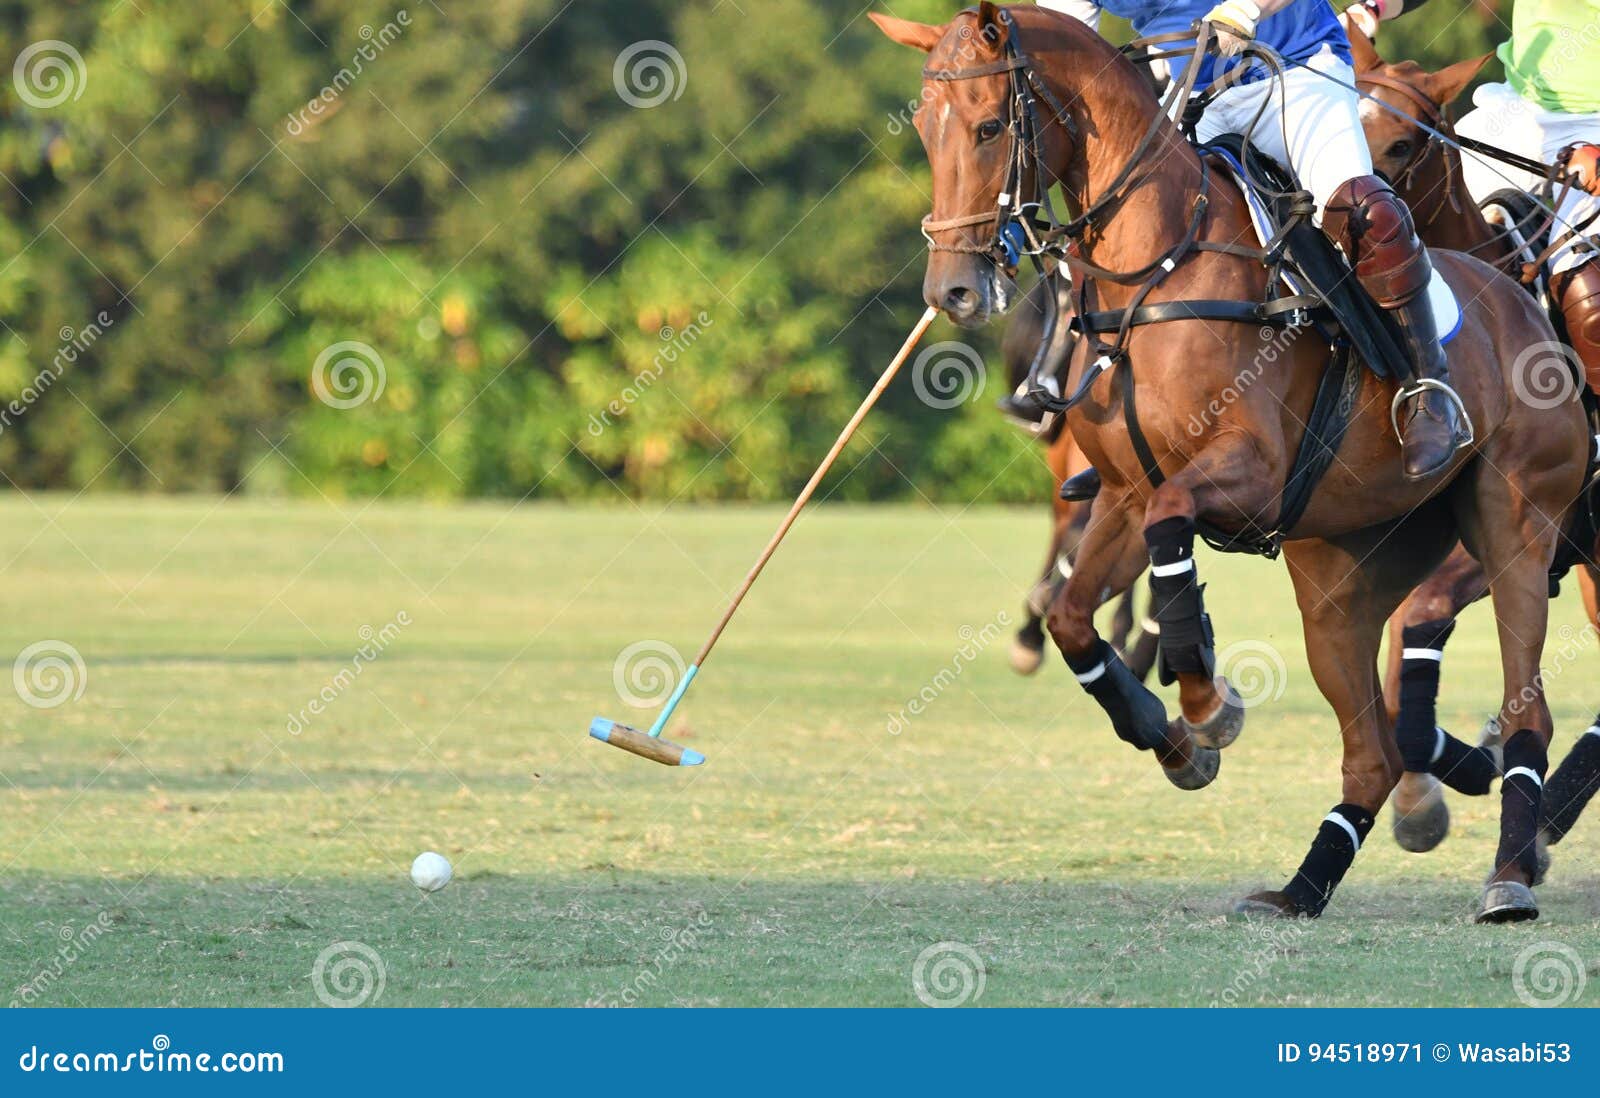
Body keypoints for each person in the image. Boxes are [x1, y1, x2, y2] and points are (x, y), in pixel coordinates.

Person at [1033, 0, 1470, 487]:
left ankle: (1429, 389)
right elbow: (1072, 43)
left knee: (1364, 212)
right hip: (1195, 96)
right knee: (1122, 232)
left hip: (1298, 75)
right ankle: (1129, 427)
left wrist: (1248, 6)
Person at [1355, 0, 1600, 396]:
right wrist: (1373, 7)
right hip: (1518, 106)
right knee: (1418, 218)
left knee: (1586, 288)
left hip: (1594, 123)